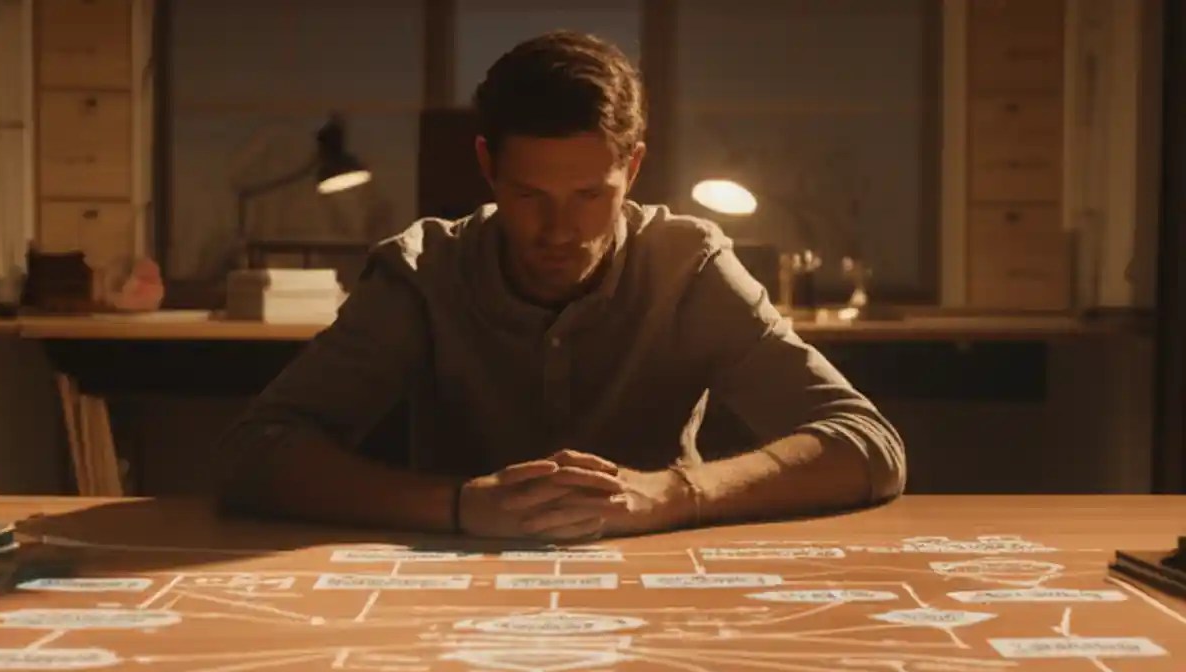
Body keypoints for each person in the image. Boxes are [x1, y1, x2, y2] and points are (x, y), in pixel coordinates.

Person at [215, 30, 905, 541]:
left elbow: (867, 444)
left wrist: (676, 493)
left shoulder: (687, 263)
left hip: (662, 575)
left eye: (588, 195)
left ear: (632, 169)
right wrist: (457, 505)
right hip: (451, 578)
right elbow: (256, 453)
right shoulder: (423, 271)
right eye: (528, 196)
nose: (557, 230)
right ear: (487, 166)